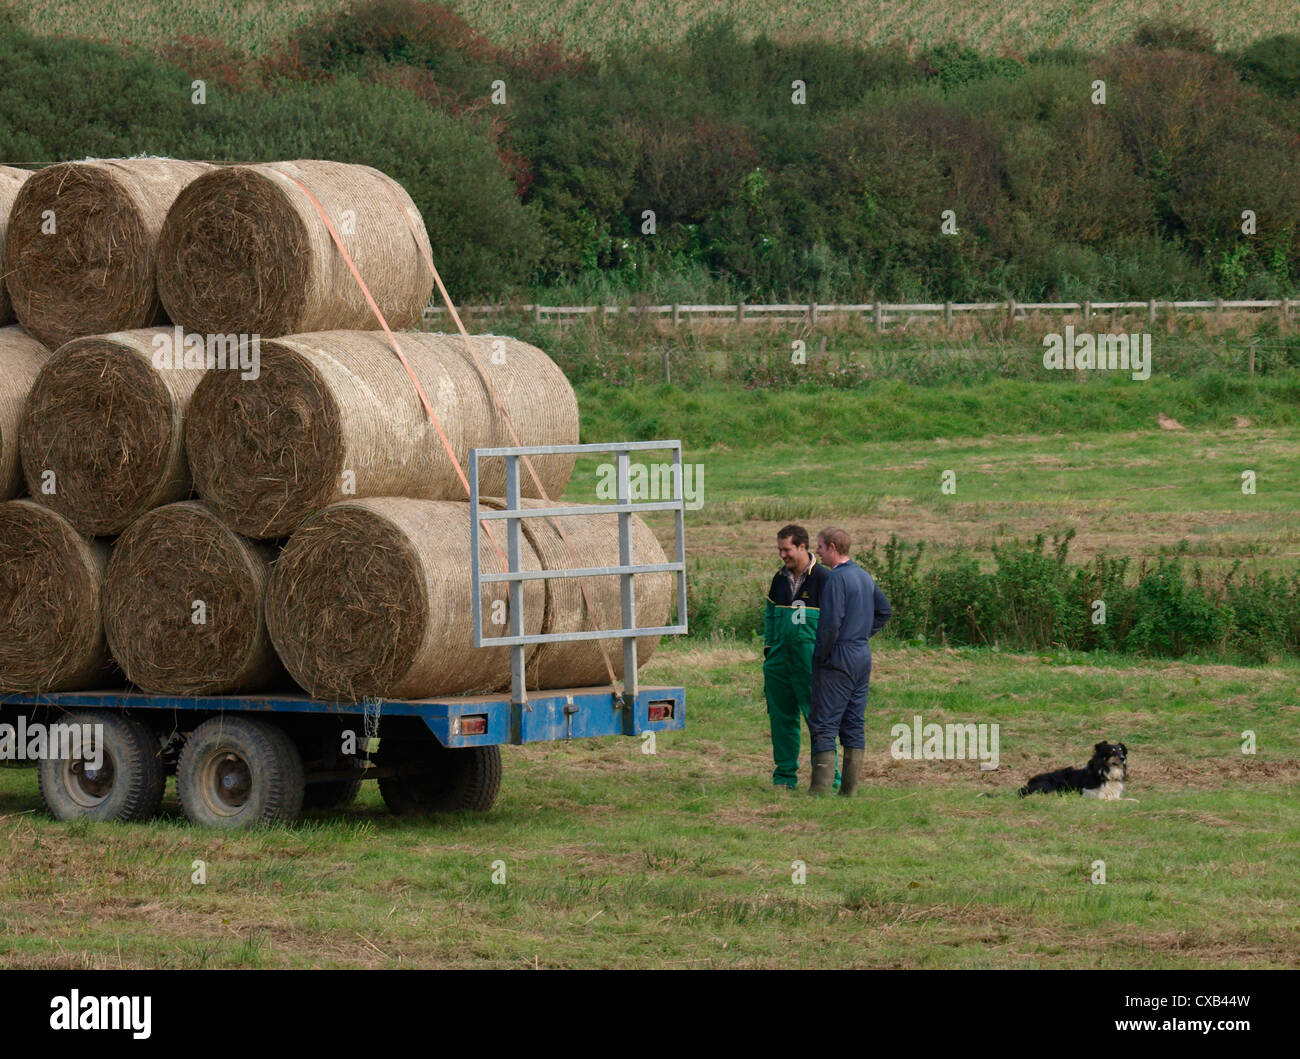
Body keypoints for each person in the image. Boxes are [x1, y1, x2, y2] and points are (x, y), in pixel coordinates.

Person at [809, 527, 891, 797]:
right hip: (861, 655)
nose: (817, 552)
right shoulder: (864, 576)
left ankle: (820, 790)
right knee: (854, 722)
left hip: (839, 658)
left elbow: (830, 624)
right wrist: (861, 634)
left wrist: (820, 657)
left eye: (820, 547)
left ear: (832, 547)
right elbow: (884, 610)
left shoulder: (836, 579)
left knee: (824, 722)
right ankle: (850, 791)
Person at [762, 524, 840, 791]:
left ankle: (829, 778)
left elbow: (835, 622)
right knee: (782, 720)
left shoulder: (824, 578)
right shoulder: (778, 579)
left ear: (802, 547)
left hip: (811, 664)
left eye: (787, 550)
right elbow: (770, 616)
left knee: (818, 720)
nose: (782, 555)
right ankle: (784, 777)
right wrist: (769, 649)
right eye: (780, 550)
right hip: (779, 663)